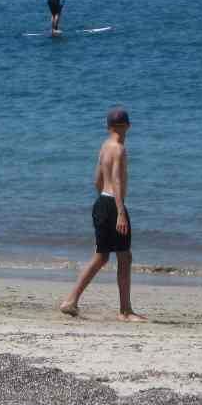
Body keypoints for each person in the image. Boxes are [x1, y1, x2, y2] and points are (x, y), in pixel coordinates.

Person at [59, 106, 146, 321]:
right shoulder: (119, 149)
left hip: (101, 202)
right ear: (128, 126)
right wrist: (119, 212)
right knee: (124, 257)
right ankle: (125, 311)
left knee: (102, 256)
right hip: (113, 205)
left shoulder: (105, 146)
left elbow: (97, 180)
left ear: (108, 127)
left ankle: (71, 300)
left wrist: (104, 201)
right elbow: (116, 179)